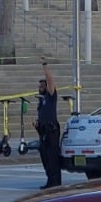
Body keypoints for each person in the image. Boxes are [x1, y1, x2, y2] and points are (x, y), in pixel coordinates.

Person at [35, 60, 62, 188]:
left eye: (42, 86)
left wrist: (44, 65)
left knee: (52, 158)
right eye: (39, 86)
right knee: (45, 158)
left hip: (52, 131)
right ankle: (49, 181)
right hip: (43, 131)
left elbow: (50, 80)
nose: (40, 88)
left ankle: (56, 182)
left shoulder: (51, 96)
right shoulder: (42, 100)